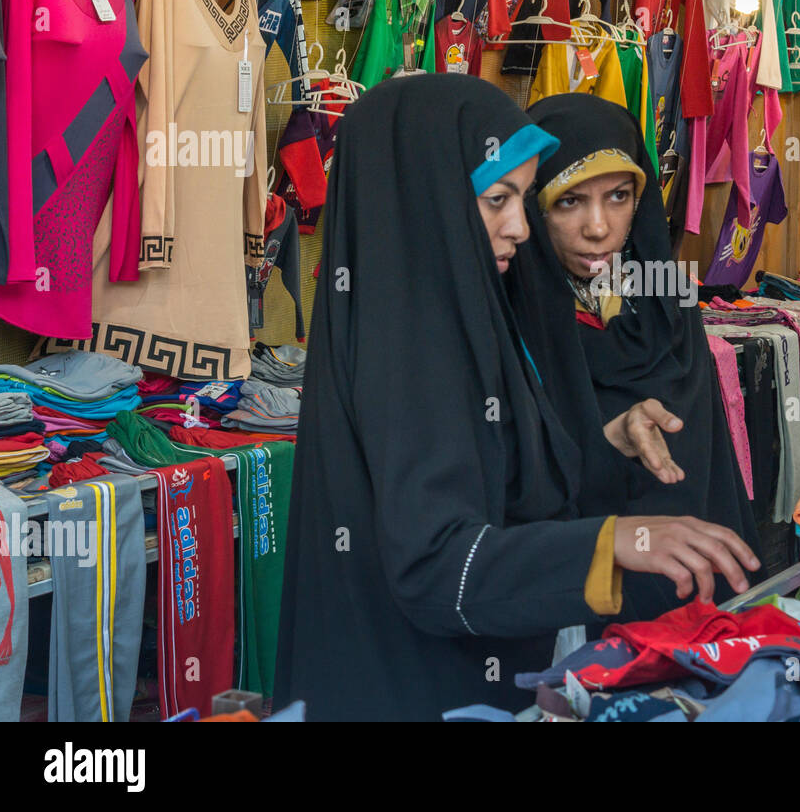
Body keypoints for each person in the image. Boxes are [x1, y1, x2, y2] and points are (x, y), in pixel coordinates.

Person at [274, 75, 759, 721]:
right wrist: (613, 542)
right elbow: (435, 566)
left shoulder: (442, 316)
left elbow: (489, 478)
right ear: (430, 196)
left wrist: (606, 441)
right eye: (498, 199)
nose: (521, 228)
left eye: (523, 200)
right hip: (417, 692)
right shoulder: (414, 340)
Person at [510, 93, 762, 620]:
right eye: (569, 201)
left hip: (689, 577)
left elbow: (704, 461)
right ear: (532, 203)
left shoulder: (668, 302)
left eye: (619, 196)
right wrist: (602, 441)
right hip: (567, 590)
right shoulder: (511, 313)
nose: (599, 227)